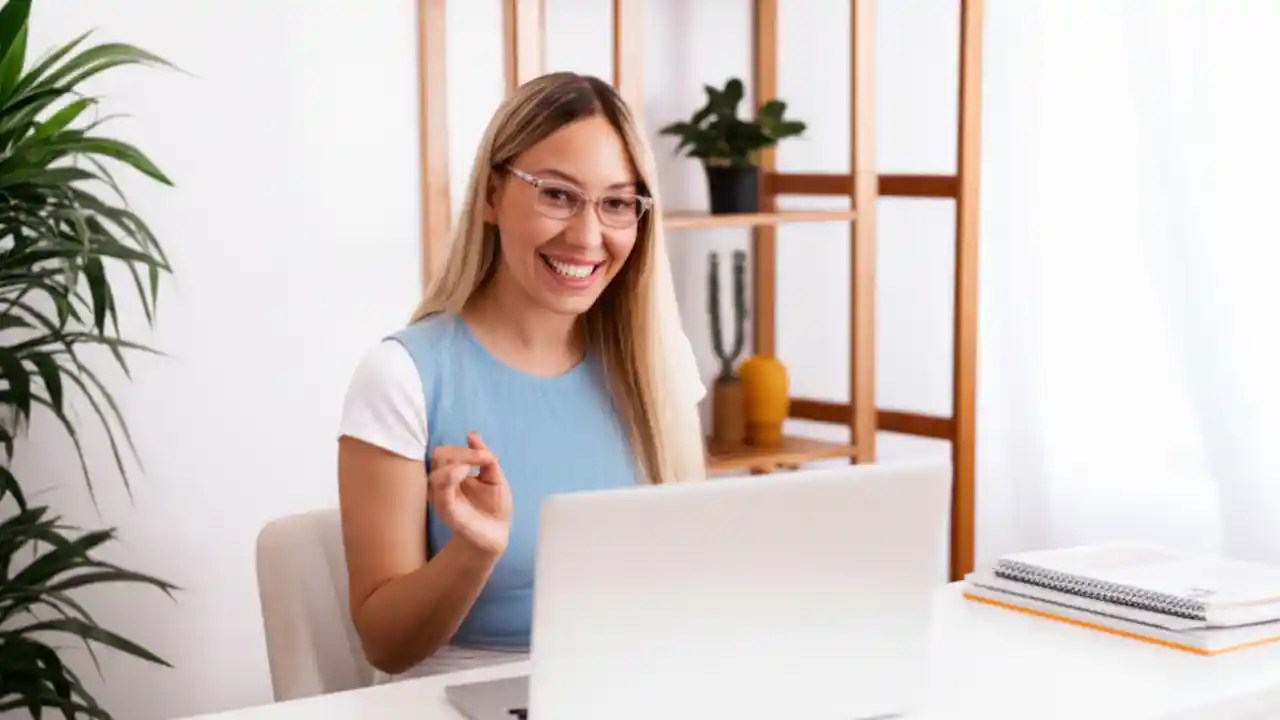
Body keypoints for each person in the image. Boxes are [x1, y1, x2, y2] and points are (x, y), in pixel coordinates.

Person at [335, 71, 707, 681]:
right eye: (557, 194)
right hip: (467, 692)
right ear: (490, 194)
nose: (587, 236)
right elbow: (386, 644)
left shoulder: (660, 366)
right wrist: (473, 551)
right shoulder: (402, 376)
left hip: (633, 681)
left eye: (616, 203)